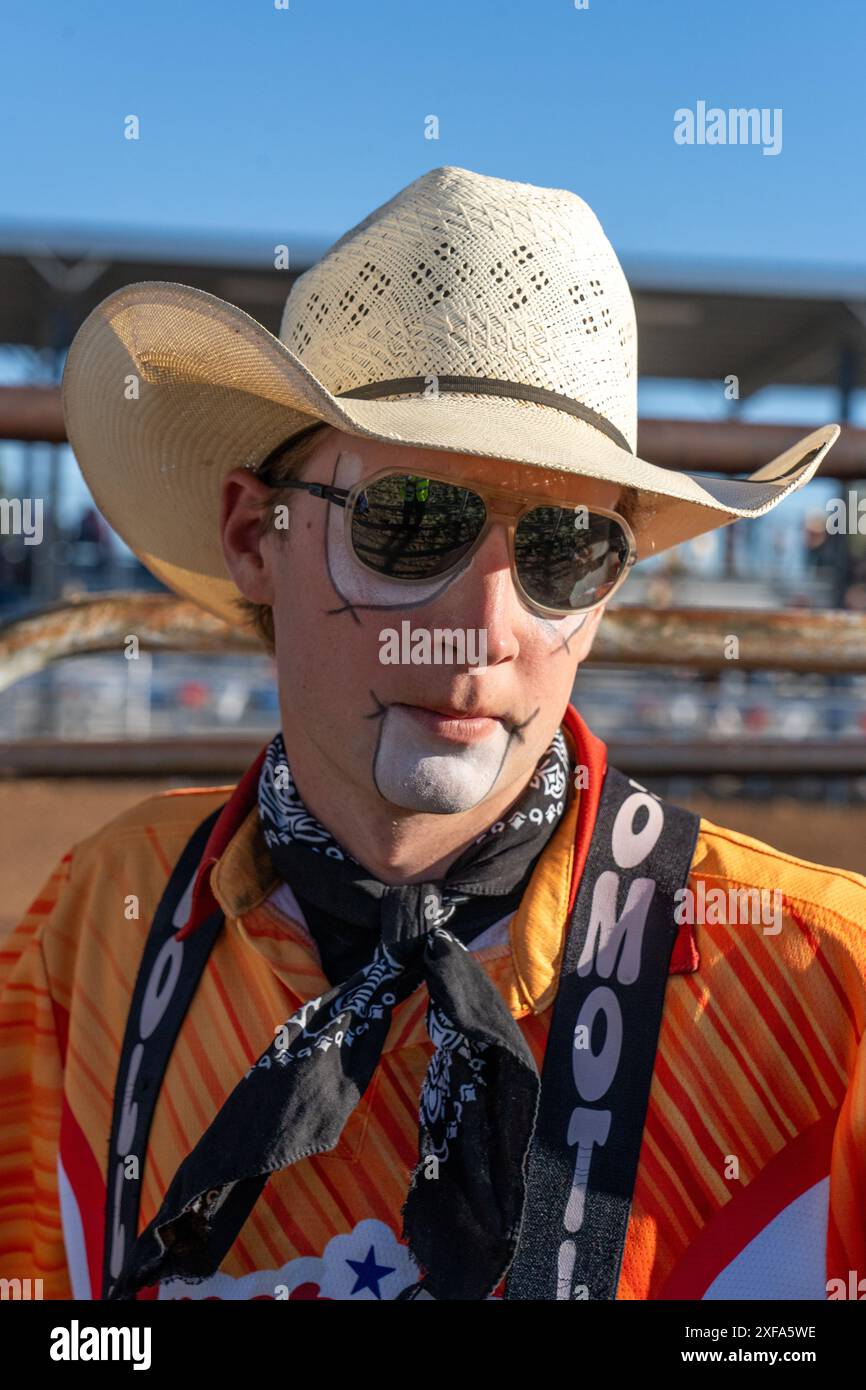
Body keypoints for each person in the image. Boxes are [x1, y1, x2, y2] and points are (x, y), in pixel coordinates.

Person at [2, 165, 864, 1302]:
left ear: (603, 597)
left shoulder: (824, 1001)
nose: (489, 628)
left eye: (563, 549)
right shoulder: (85, 937)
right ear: (251, 534)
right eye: (411, 523)